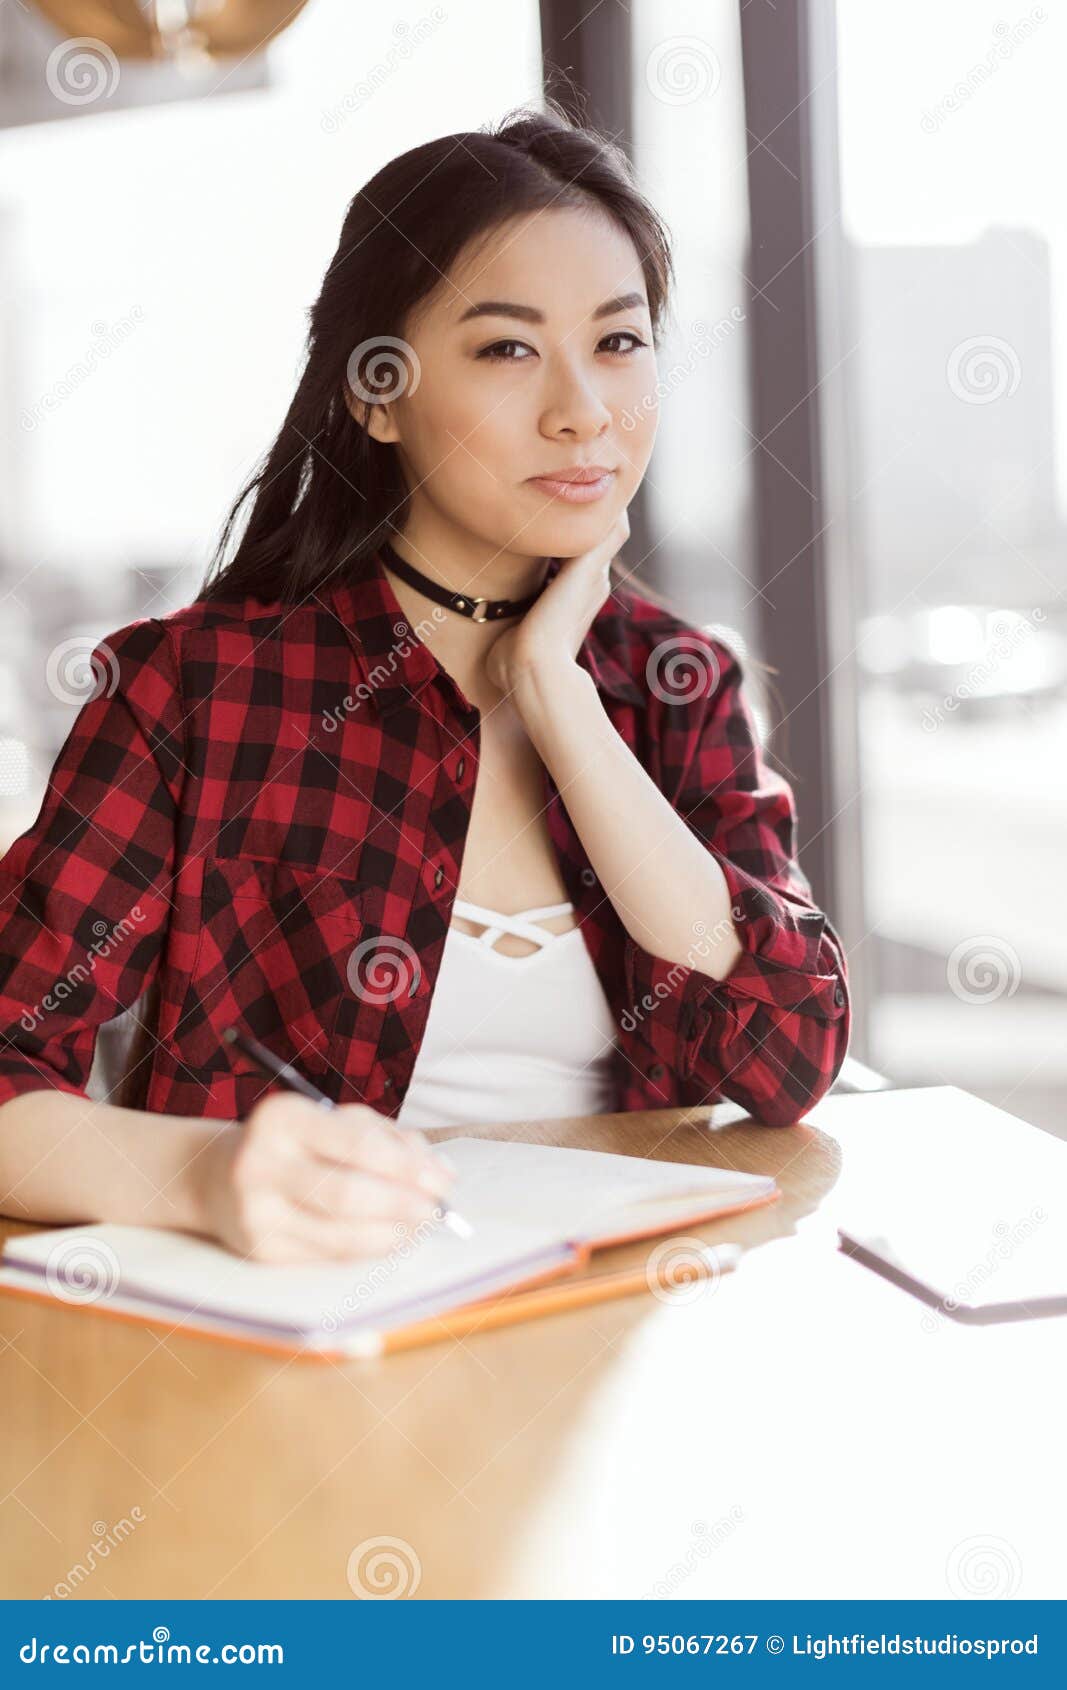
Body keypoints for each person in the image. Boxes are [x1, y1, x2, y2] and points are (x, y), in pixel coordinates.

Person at [0, 105, 850, 1264]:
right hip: (298, 1355)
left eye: (618, 341)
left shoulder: (670, 682)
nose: (583, 411)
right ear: (376, 392)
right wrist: (202, 1174)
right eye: (507, 348)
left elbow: (785, 1054)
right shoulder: (196, 690)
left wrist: (555, 693)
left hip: (610, 1337)